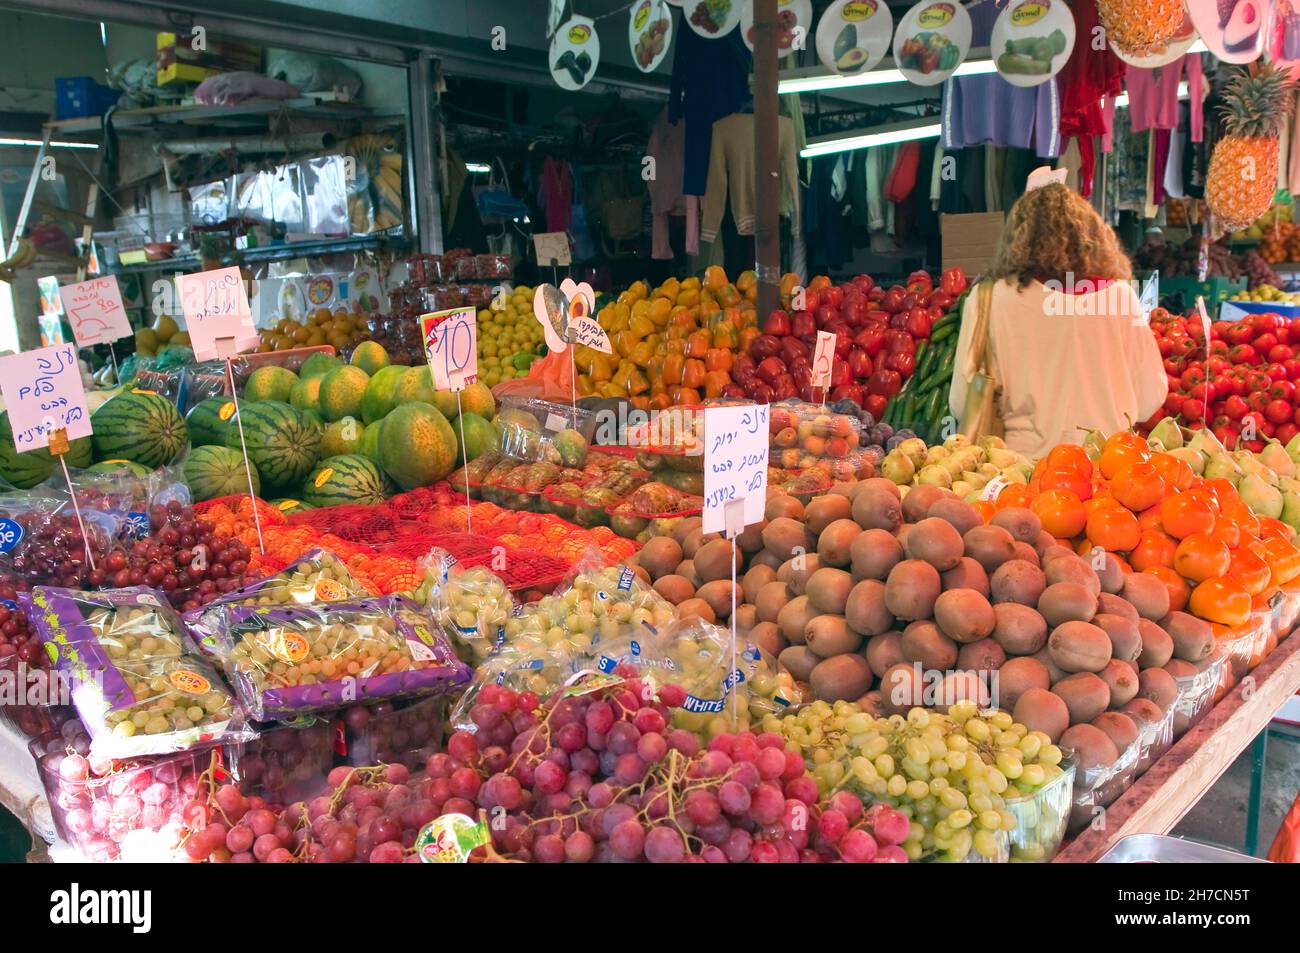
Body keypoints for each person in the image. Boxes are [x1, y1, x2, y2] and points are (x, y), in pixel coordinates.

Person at [948, 171, 1167, 459]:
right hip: (1108, 468)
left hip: (1020, 469)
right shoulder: (1120, 297)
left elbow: (962, 402)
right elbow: (1149, 398)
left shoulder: (989, 298)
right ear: (1091, 236)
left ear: (1017, 237)